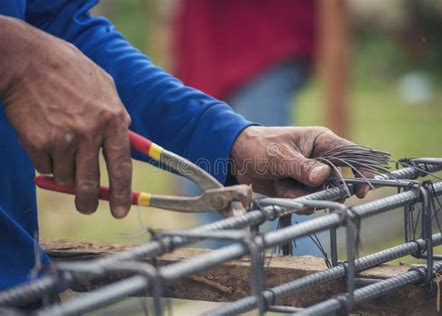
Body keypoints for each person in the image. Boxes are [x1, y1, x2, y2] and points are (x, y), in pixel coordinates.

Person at [0, 1, 368, 291]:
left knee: (249, 228)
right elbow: (35, 47)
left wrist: (232, 140)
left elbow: (57, 29)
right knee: (234, 236)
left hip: (23, 279)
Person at [173, 0, 319, 253]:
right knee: (207, 184)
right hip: (207, 46)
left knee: (278, 186)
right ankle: (231, 286)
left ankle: (314, 283)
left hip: (263, 41)